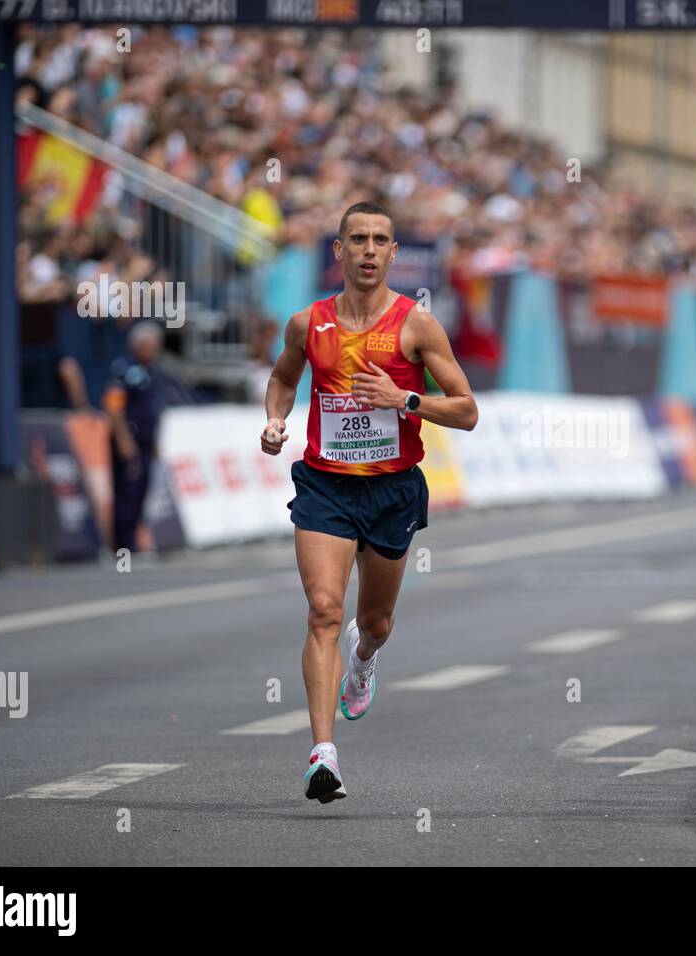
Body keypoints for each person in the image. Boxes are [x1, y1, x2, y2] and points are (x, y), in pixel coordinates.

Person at [261, 200, 478, 804]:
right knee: (324, 608)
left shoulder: (416, 326)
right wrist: (276, 420)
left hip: (391, 489)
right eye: (357, 239)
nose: (368, 250)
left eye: (380, 240)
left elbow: (466, 411)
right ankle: (322, 754)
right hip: (326, 487)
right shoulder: (308, 323)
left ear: (393, 253)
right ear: (338, 250)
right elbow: (282, 378)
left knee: (374, 621)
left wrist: (403, 400)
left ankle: (364, 656)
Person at [102, 321, 166, 555]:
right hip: (130, 440)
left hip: (147, 442)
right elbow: (113, 405)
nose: (155, 348)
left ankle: (134, 539)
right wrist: (123, 439)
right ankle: (122, 544)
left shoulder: (153, 372)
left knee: (140, 492)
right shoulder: (125, 370)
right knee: (126, 493)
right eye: (151, 344)